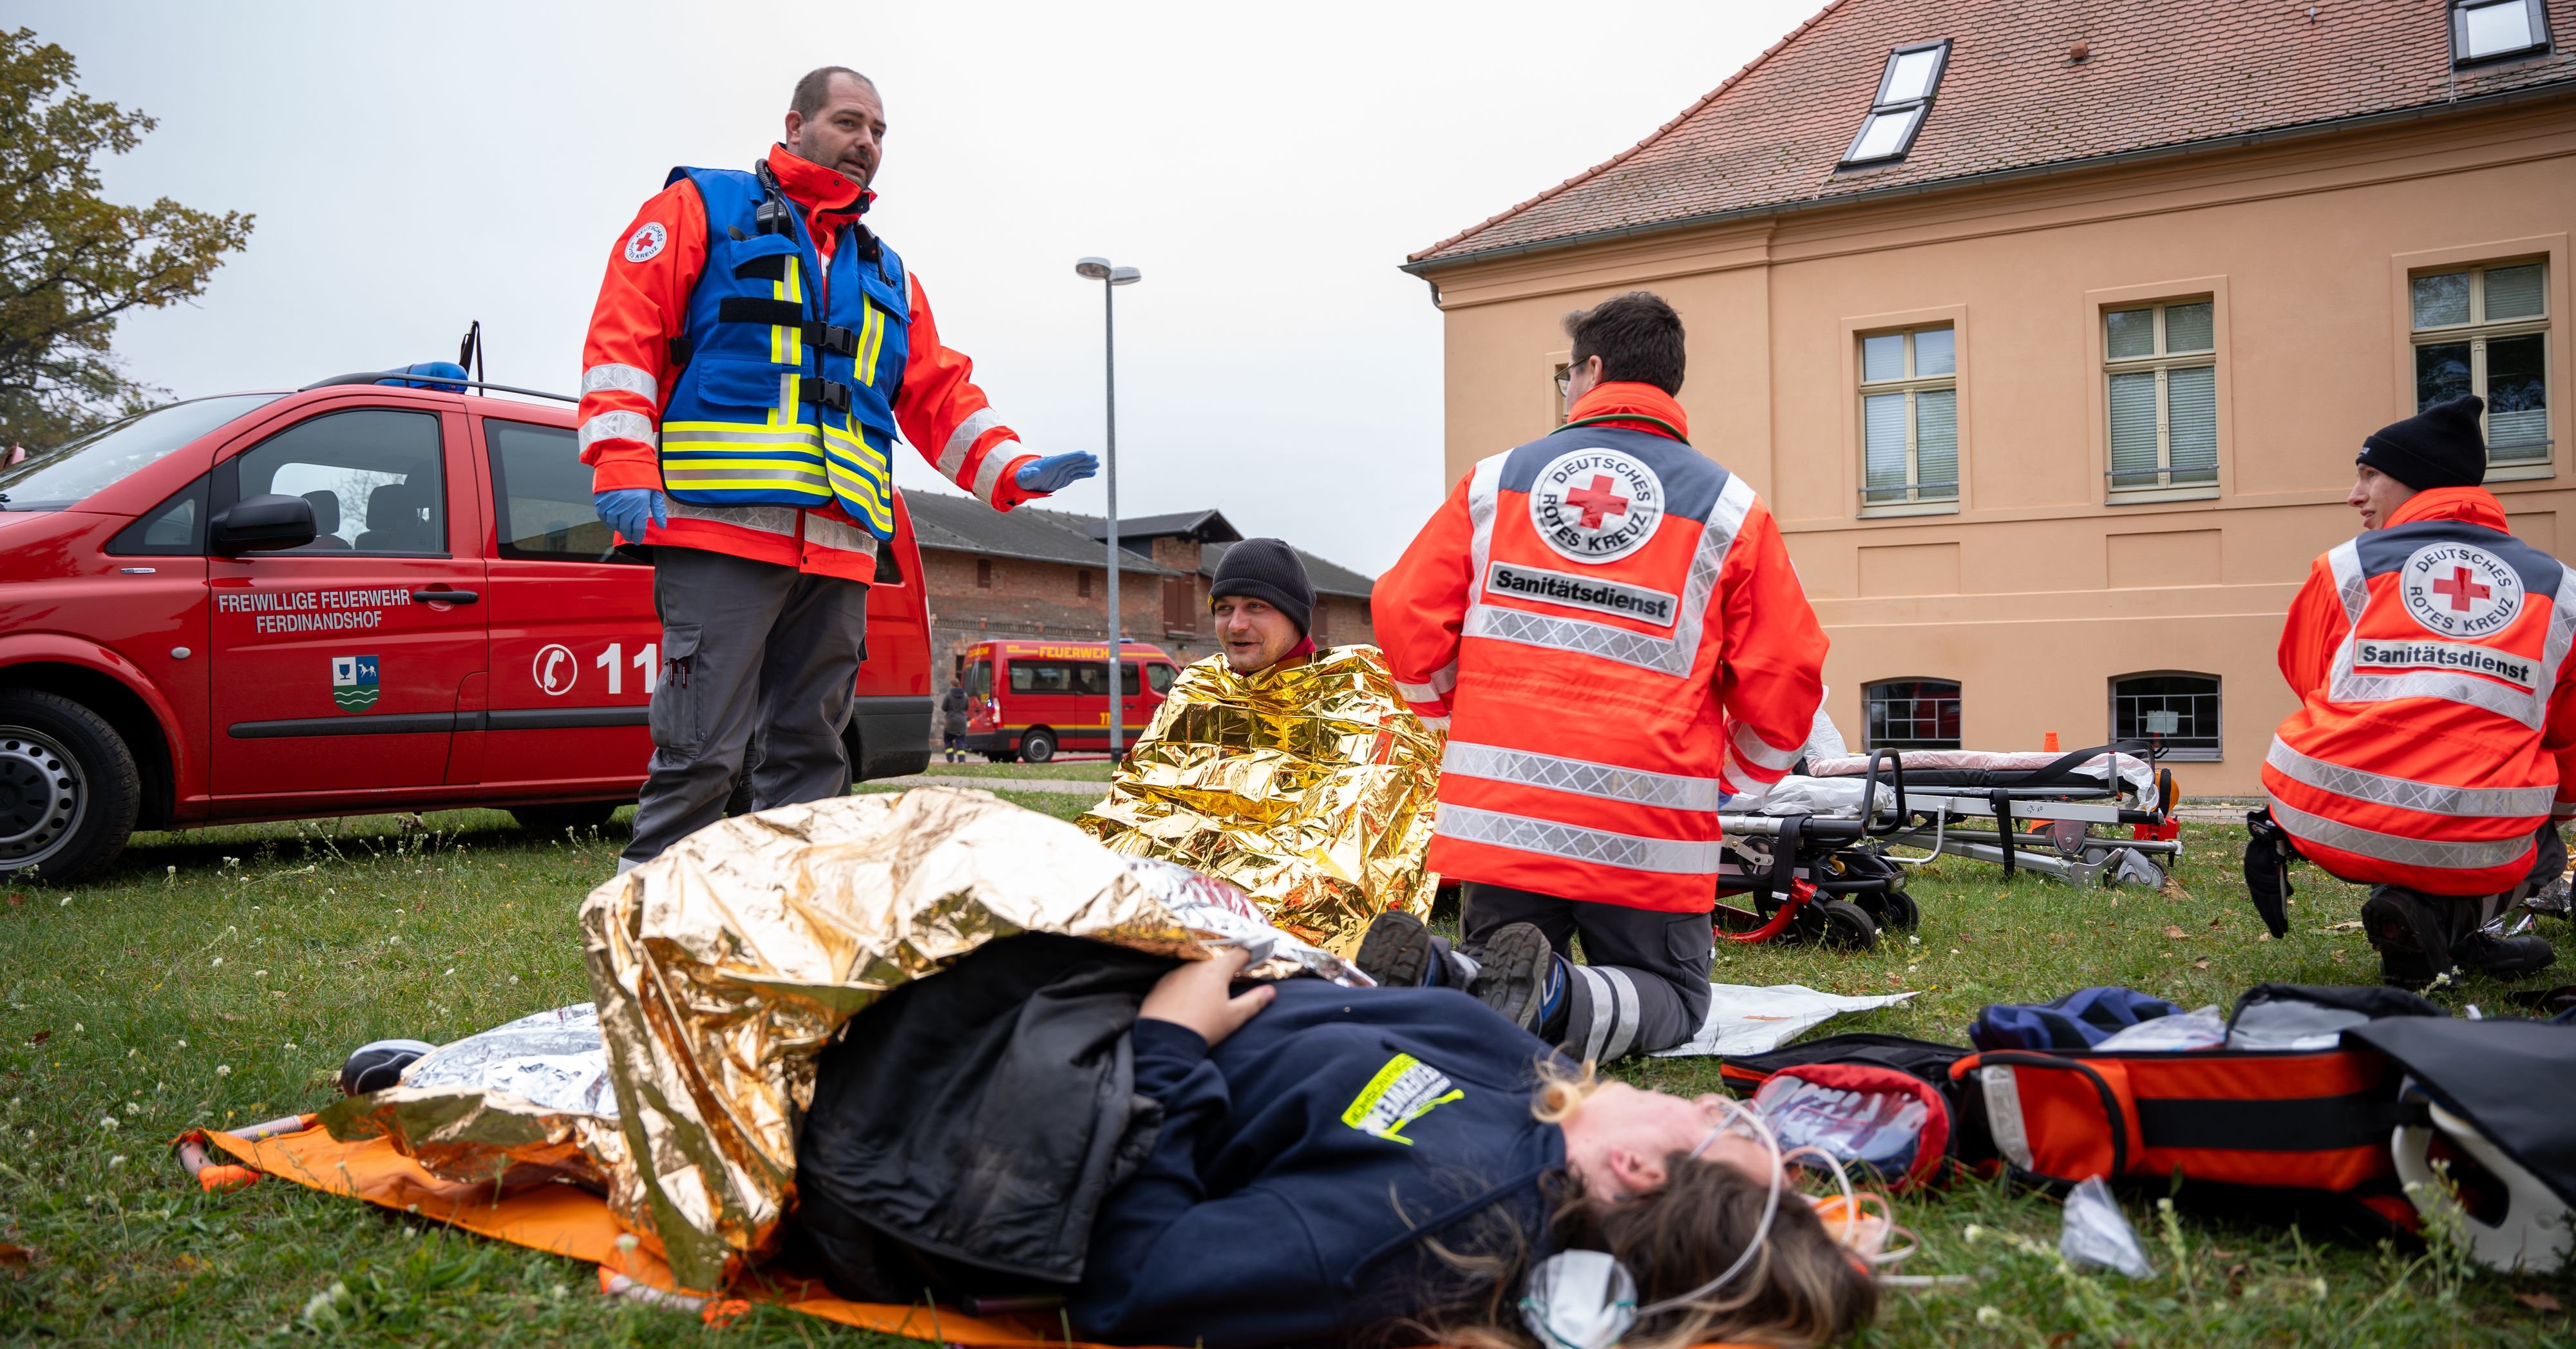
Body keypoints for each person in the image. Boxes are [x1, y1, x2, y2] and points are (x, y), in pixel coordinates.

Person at [576, 67, 1097, 872]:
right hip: (721, 535)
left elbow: (938, 395)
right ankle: (645, 936)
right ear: (795, 123)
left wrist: (1015, 470)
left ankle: (792, 930)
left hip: (842, 550)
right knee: (701, 755)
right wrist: (621, 461)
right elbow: (625, 336)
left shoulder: (887, 272)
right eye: (850, 123)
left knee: (813, 762)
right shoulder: (698, 210)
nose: (866, 144)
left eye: (879, 132)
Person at [1366, 292, 1829, 1062]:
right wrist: (1737, 773)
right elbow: (1783, 666)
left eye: (1567, 377)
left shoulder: (1495, 482)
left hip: (1504, 812)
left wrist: (1451, 715)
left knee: (1499, 974)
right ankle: (1549, 994)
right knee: (1672, 999)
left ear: (1592, 369)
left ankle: (1443, 974)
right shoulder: (1728, 508)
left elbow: (1404, 609)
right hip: (1645, 820)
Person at [1068, 949, 1879, 1348]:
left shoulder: (1429, 1225)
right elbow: (1763, 1254)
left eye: (1727, 1128)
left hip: (1065, 1041)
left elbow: (1137, 1283)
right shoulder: (1558, 1102)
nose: (1716, 1098)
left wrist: (1168, 1044)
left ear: (1636, 1172)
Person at [2248, 394, 2566, 988]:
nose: (2355, 494)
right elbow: (2568, 737)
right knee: (2542, 828)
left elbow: (2306, 674)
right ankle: (2451, 923)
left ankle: (2414, 923)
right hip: (2480, 833)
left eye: (2370, 475)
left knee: (2442, 799)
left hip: (2319, 811)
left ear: (2420, 483)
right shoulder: (2559, 588)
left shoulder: (2346, 566)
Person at [1081, 540, 1443, 949]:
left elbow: (1350, 845)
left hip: (1287, 877)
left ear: (1294, 616)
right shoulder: (1200, 687)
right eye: (1224, 608)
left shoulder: (1359, 695)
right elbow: (1133, 802)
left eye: (1256, 606)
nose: (1236, 624)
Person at [940, 681, 971, 763]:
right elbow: (967, 707)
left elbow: (944, 707)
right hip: (962, 722)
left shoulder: (948, 695)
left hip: (951, 721)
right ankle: (962, 760)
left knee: (948, 739)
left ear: (952, 685)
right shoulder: (965, 695)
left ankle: (950, 759)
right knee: (960, 740)